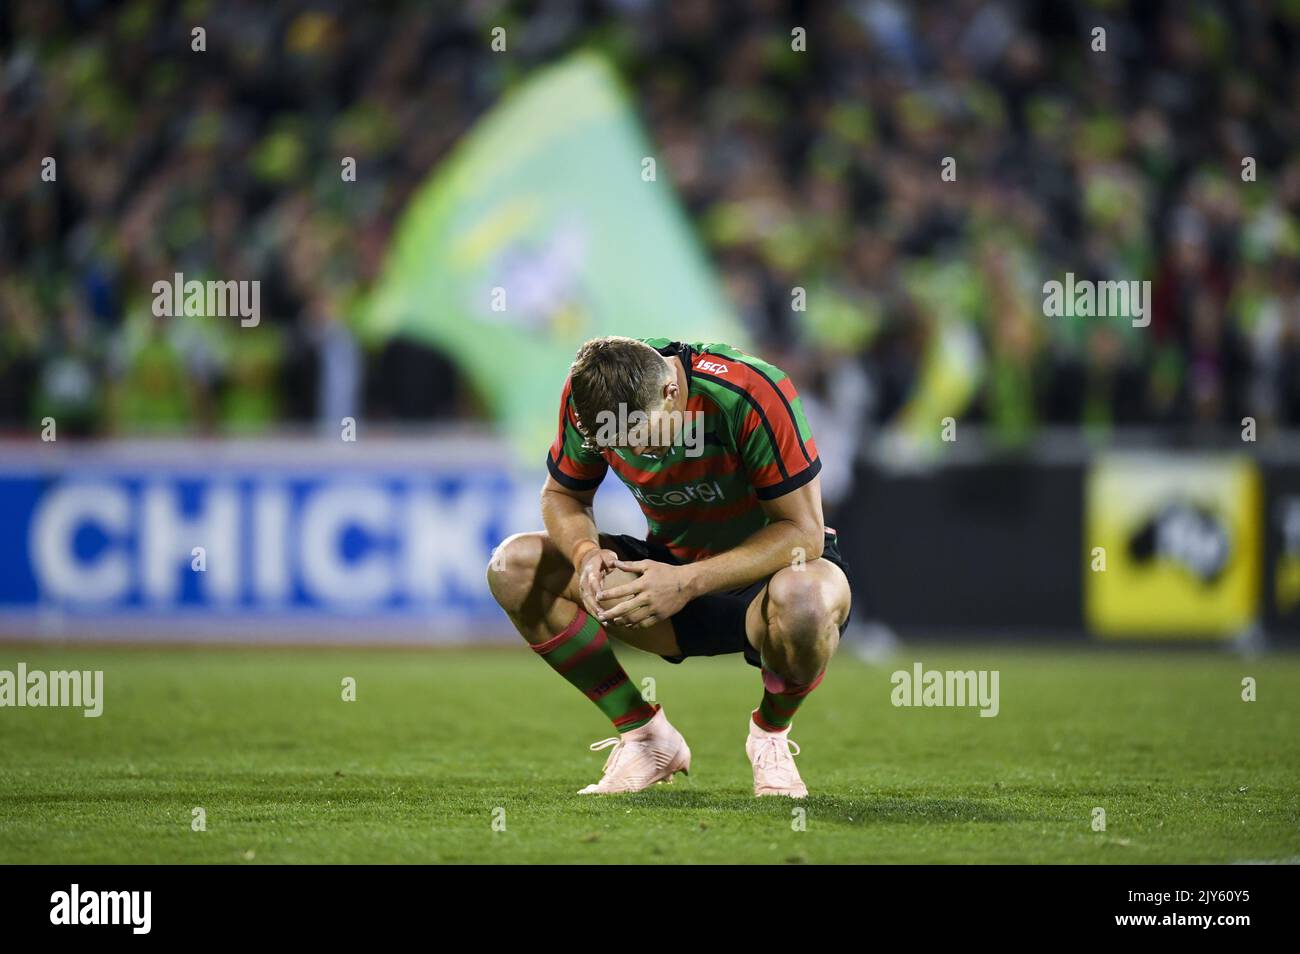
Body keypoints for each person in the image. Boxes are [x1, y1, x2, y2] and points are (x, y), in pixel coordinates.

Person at [486, 336, 852, 797]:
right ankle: (644, 737)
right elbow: (563, 495)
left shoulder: (751, 392)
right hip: (668, 576)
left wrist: (686, 582)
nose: (636, 453)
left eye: (642, 436)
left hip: (768, 582)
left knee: (806, 600)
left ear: (671, 394)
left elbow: (803, 533)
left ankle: (771, 736)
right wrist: (584, 554)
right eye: (617, 443)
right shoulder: (588, 398)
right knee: (513, 567)